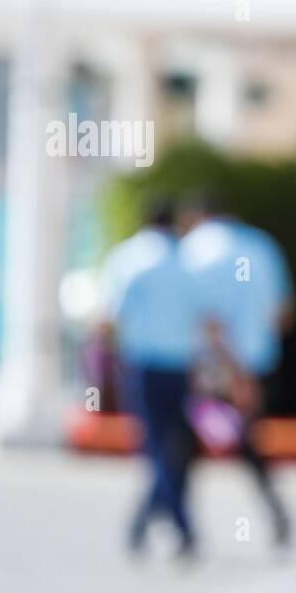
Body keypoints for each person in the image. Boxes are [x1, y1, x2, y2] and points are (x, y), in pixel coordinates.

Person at [179, 193, 295, 548]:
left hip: (207, 364)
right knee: (245, 441)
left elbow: (203, 318)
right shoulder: (262, 245)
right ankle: (274, 511)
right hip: (255, 365)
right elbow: (283, 313)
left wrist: (230, 366)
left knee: (186, 442)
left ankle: (179, 523)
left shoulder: (192, 250)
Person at [99, 198, 203, 559]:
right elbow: (201, 319)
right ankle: (155, 523)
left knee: (156, 444)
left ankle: (172, 523)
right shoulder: (186, 262)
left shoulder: (129, 259)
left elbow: (111, 315)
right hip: (180, 366)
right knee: (170, 444)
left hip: (144, 364)